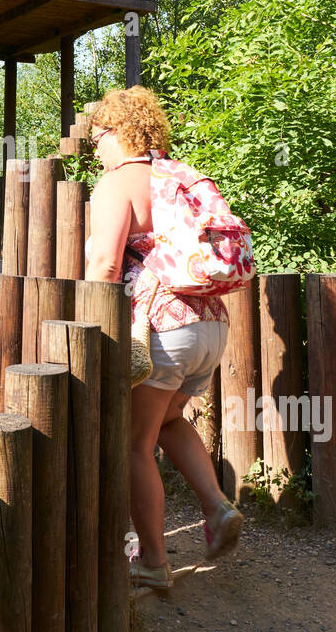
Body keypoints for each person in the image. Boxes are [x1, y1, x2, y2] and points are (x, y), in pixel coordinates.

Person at [85, 86, 242, 591]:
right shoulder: (178, 175)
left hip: (160, 329)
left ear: (121, 131)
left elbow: (105, 263)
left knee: (135, 443)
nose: (96, 148)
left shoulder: (118, 182)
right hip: (209, 325)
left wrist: (85, 321)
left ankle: (153, 560)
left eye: (98, 136)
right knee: (170, 417)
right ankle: (217, 508)